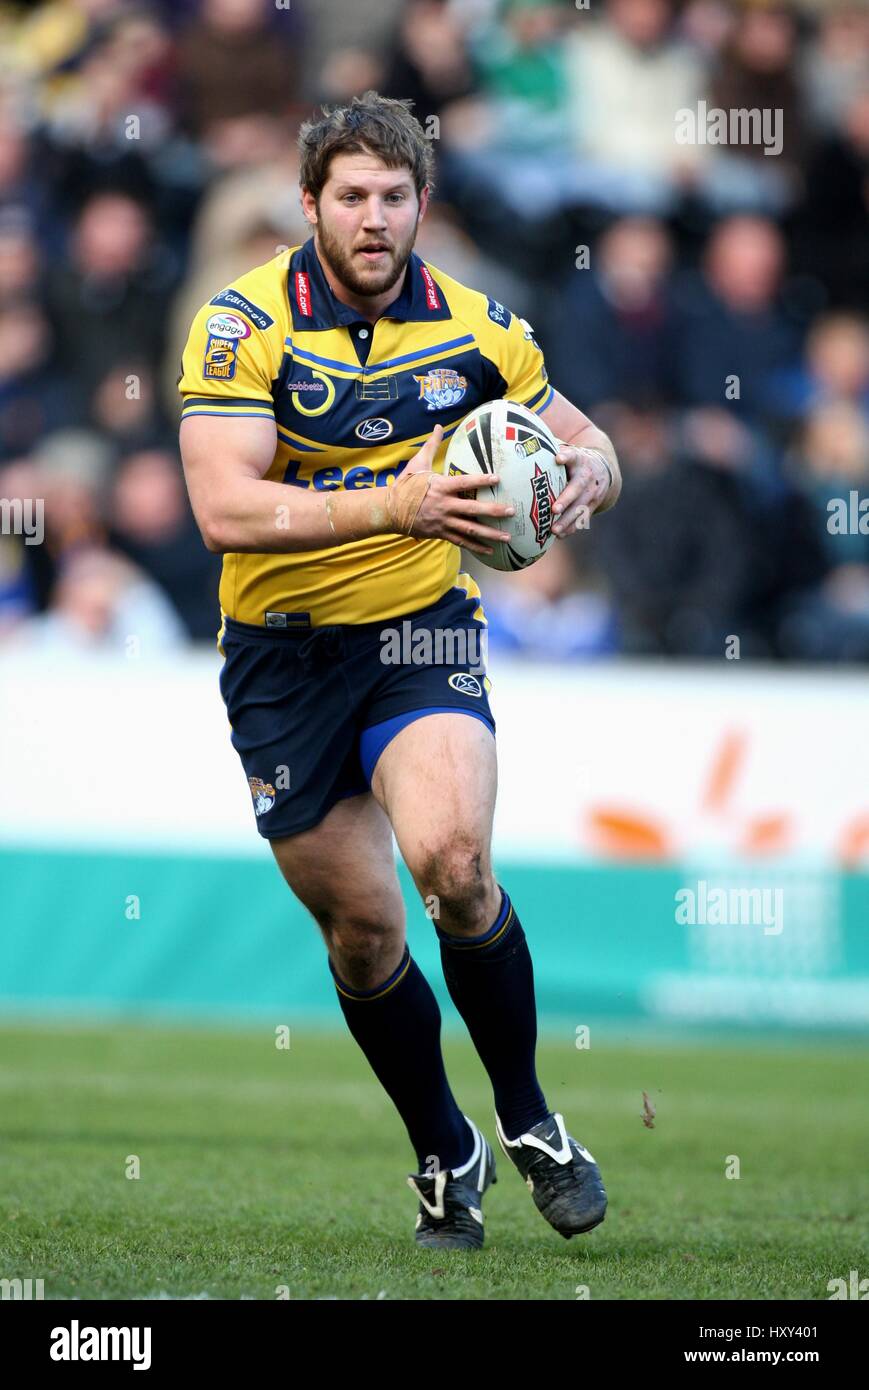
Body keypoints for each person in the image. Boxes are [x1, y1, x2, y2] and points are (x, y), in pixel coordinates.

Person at [178, 91, 621, 1250]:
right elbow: (222, 507)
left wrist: (591, 474)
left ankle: (528, 1120)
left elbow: (586, 439)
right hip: (279, 656)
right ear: (310, 203)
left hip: (418, 632)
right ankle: (444, 1147)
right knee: (365, 936)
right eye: (350, 197)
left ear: (421, 205)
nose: (373, 219)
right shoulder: (241, 323)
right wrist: (398, 500)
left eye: (393, 197)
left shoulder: (477, 326)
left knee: (456, 867)